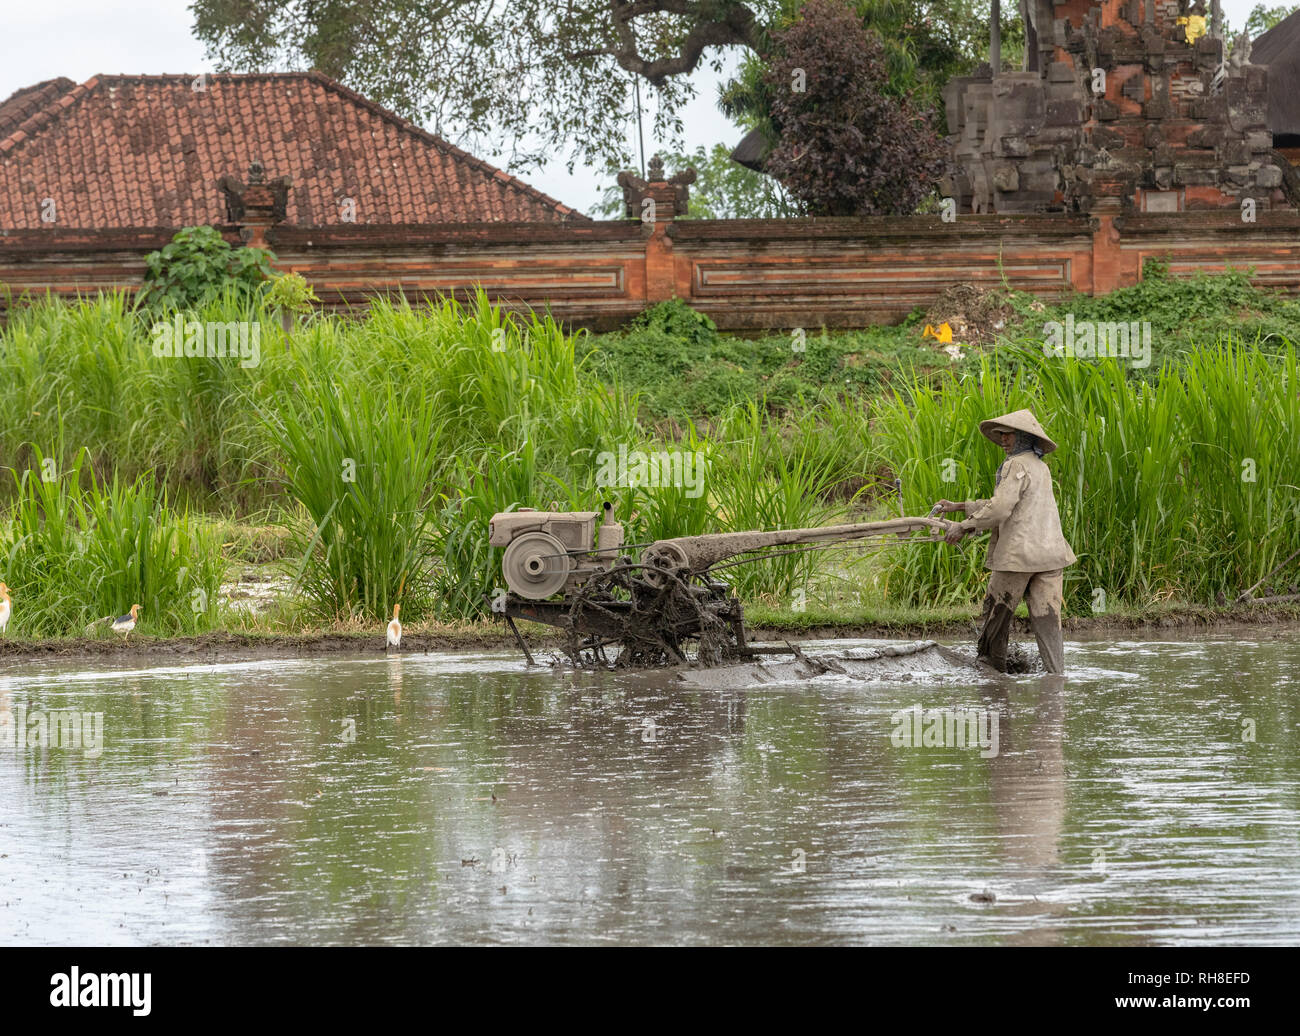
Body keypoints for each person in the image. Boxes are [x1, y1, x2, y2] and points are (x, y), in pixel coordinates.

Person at [932, 409, 1076, 674]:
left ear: (1022, 437)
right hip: (1050, 556)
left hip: (1018, 556)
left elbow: (1000, 510)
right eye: (1000, 435)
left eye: (1008, 435)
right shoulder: (1040, 467)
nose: (1003, 440)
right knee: (1049, 623)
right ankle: (1056, 680)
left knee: (996, 617)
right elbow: (1008, 504)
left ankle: (991, 677)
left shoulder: (1015, 465)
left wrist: (964, 527)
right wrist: (959, 506)